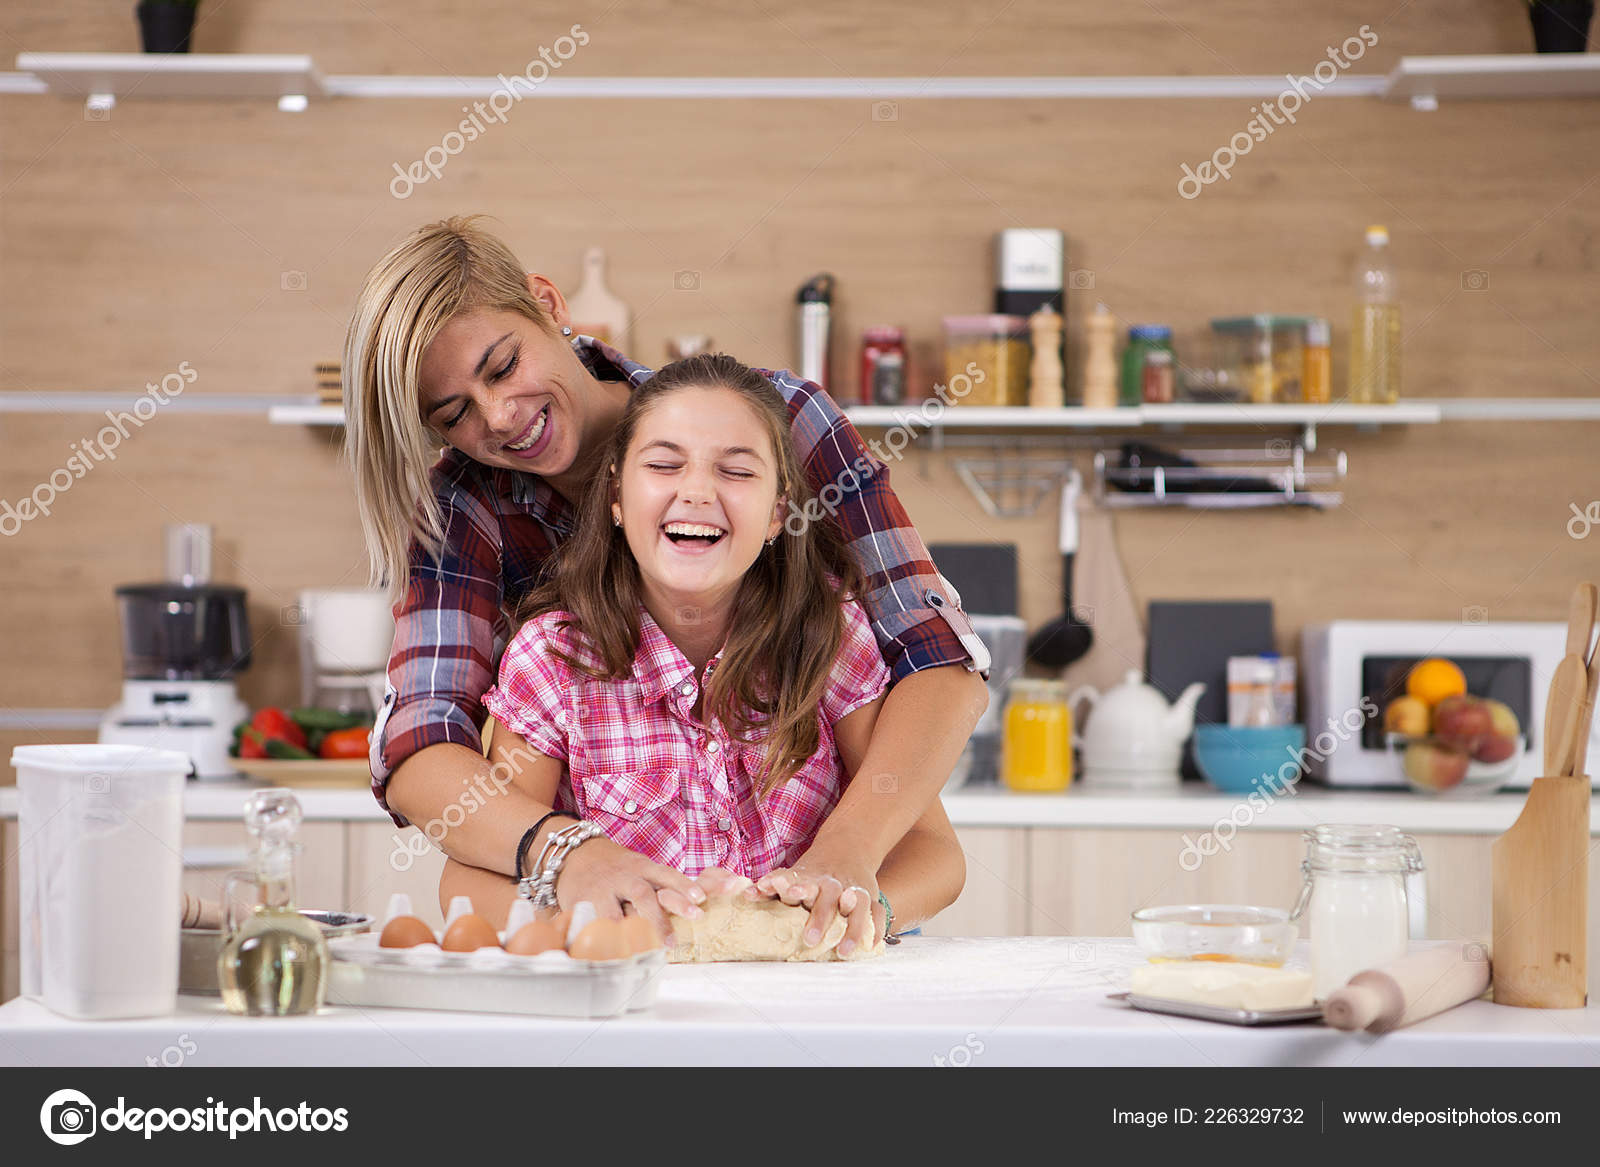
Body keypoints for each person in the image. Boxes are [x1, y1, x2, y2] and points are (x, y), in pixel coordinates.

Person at [344, 215, 990, 952]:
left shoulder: (782, 426)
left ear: (549, 304)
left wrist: (846, 861)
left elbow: (938, 661)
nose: (498, 417)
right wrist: (568, 858)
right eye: (453, 412)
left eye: (501, 366)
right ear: (614, 500)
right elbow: (421, 747)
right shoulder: (477, 531)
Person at [448, 354, 963, 950]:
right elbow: (468, 879)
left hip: (807, 1006)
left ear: (777, 512)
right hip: (628, 1008)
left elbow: (936, 854)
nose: (695, 492)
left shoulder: (829, 634)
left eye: (738, 472)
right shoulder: (554, 660)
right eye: (664, 465)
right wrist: (578, 925)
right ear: (616, 495)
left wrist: (858, 905)